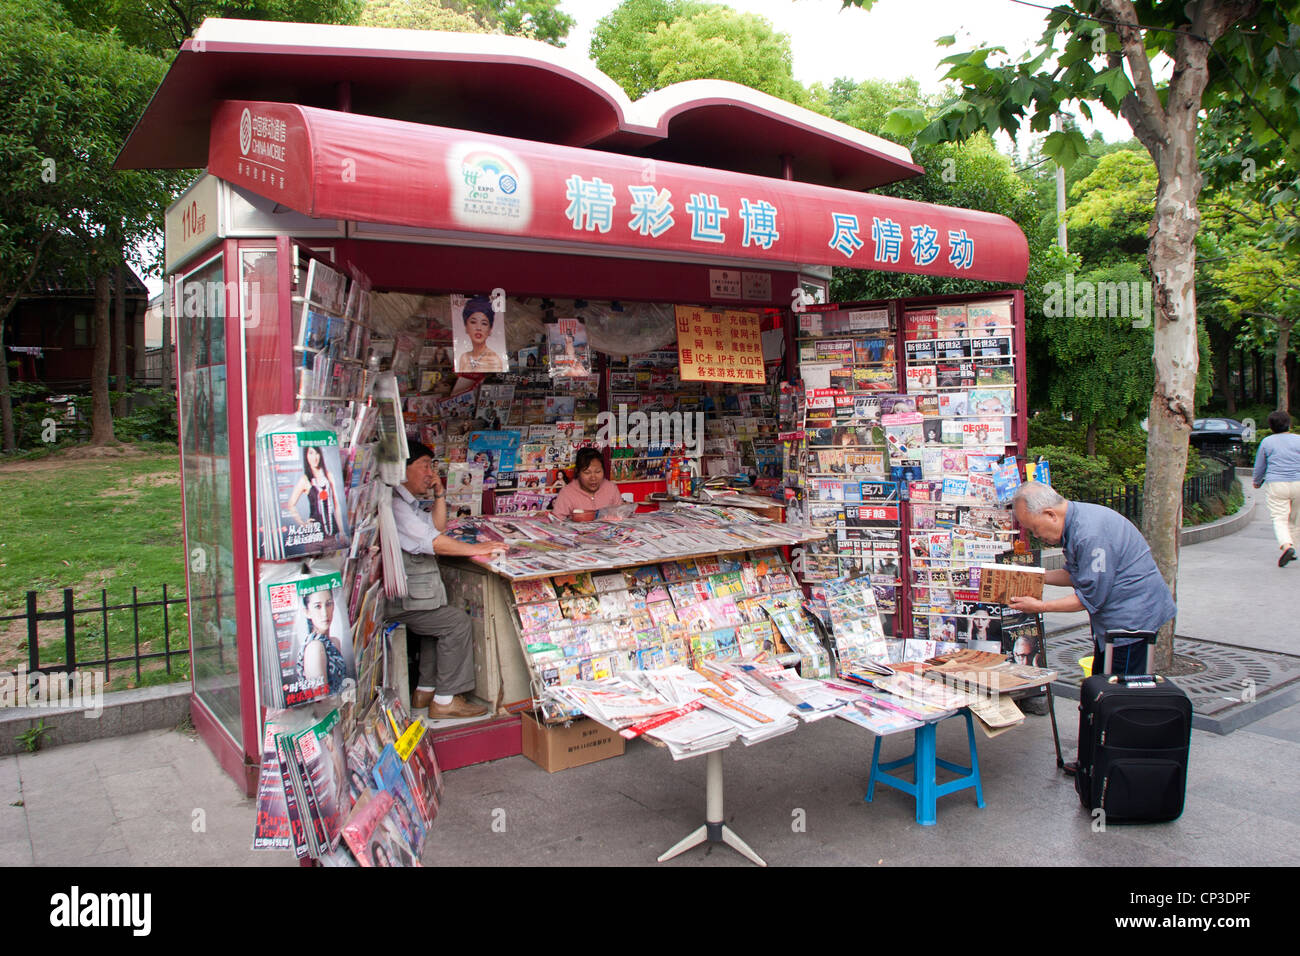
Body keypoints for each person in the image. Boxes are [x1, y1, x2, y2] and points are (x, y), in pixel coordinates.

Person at [387, 441, 508, 719]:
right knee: (456, 623)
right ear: (403, 470)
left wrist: (439, 494)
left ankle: (425, 690)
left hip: (416, 595)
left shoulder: (409, 503)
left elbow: (436, 528)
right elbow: (434, 542)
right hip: (402, 599)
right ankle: (446, 700)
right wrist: (476, 549)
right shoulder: (396, 506)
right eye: (425, 466)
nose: (431, 473)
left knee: (437, 621)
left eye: (433, 466)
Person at [1008, 481, 1175, 676]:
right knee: (1101, 683)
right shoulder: (1076, 521)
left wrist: (1039, 606)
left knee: (1120, 691)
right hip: (1114, 623)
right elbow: (1075, 574)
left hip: (1132, 621)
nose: (1036, 535)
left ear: (1050, 514)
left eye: (1035, 528)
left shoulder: (1090, 533)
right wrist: (1035, 576)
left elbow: (1089, 598)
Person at [1252, 410, 1300, 567]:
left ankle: (1287, 546)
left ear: (1271, 426)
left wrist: (1257, 481)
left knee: (1279, 518)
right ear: (1289, 424)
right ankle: (1293, 547)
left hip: (1277, 484)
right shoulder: (1298, 440)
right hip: (1298, 482)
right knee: (1295, 519)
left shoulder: (1267, 442)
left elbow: (1260, 465)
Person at [296, 587, 349, 695]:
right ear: (307, 612)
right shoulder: (314, 648)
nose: (325, 613)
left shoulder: (334, 642)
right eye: (317, 606)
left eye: (328, 604)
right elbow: (320, 699)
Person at [551, 448, 623, 519]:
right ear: (578, 472)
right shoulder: (567, 493)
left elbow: (621, 516)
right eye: (587, 472)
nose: (593, 478)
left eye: (598, 472)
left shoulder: (611, 488)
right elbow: (556, 521)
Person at [287, 445, 341, 539]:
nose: (314, 457)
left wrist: (342, 531)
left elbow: (336, 504)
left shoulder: (328, 476)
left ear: (320, 455)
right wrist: (303, 523)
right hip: (315, 535)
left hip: (332, 534)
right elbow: (290, 504)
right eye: (311, 453)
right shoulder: (305, 480)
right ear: (306, 456)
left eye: (317, 453)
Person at [455, 297, 505, 373]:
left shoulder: (494, 360)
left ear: (490, 329)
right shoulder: (464, 358)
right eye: (473, 322)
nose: (478, 328)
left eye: (484, 323)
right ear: (466, 326)